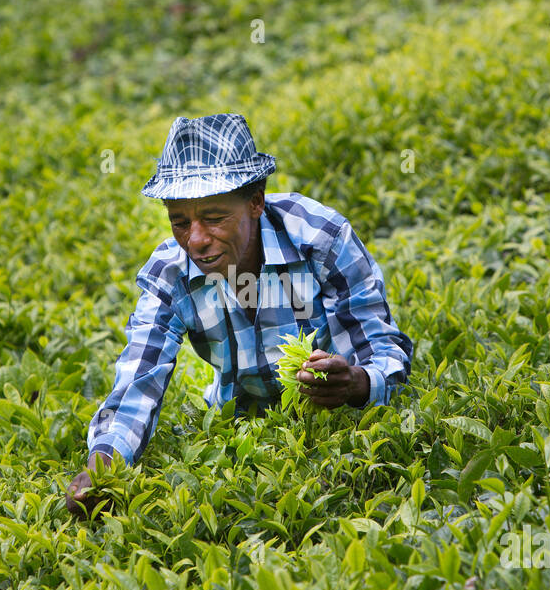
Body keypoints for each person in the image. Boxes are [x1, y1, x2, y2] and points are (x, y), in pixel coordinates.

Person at [66, 113, 413, 516]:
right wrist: (103, 466)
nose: (195, 239)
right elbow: (138, 380)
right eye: (180, 222)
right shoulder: (170, 272)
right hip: (239, 429)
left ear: (255, 201)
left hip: (339, 428)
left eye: (214, 218)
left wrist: (356, 383)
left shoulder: (321, 238)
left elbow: (385, 351)